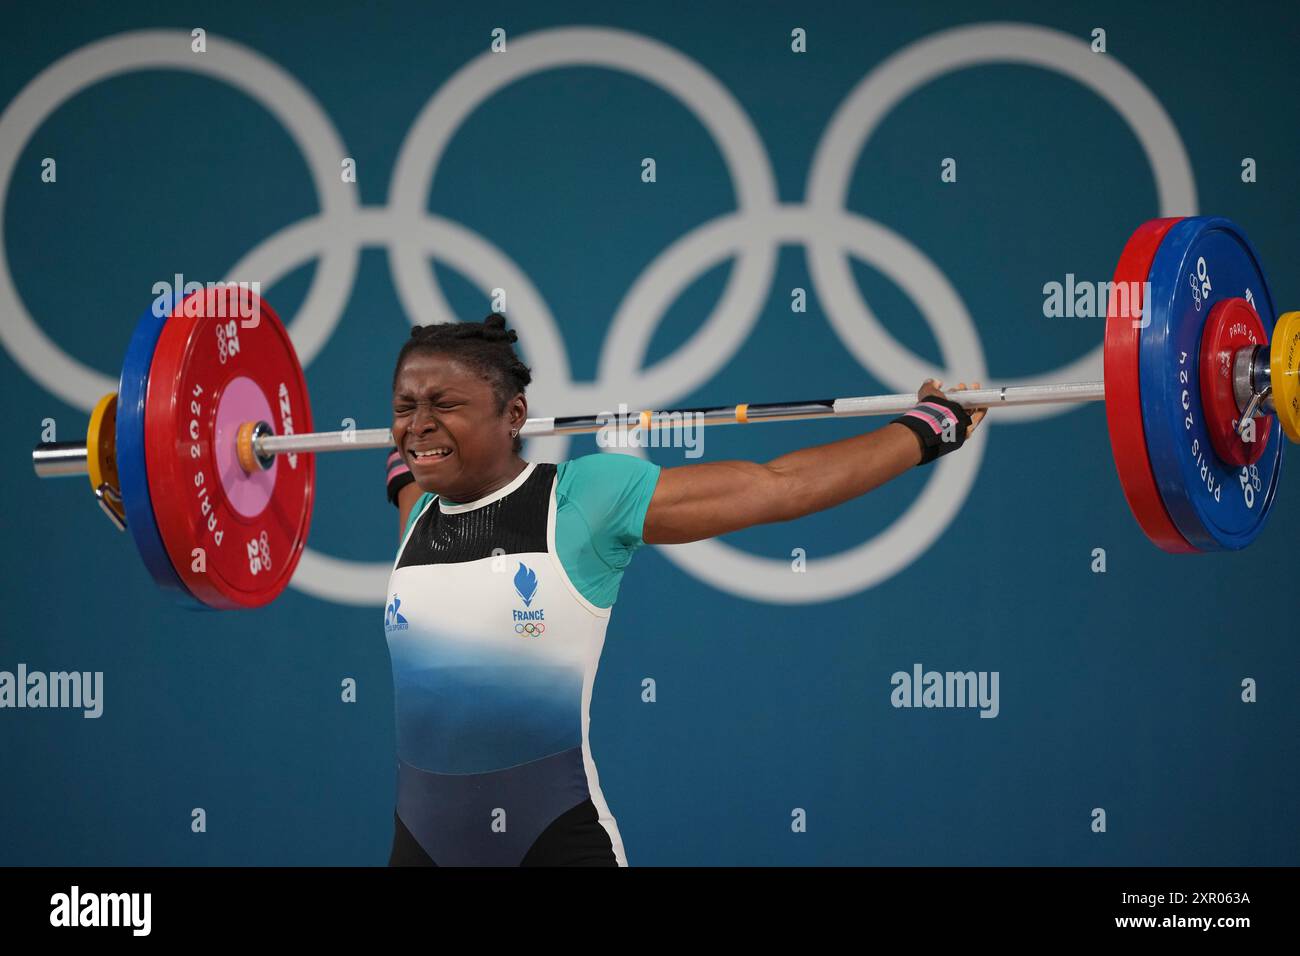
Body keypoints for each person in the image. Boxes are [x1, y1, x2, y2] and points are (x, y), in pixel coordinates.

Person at [382, 313, 986, 866]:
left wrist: (928, 429)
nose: (419, 424)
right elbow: (407, 467)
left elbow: (780, 486)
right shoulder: (418, 512)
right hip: (420, 849)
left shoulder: (584, 500)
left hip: (552, 844)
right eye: (404, 407)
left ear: (514, 415)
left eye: (445, 404)